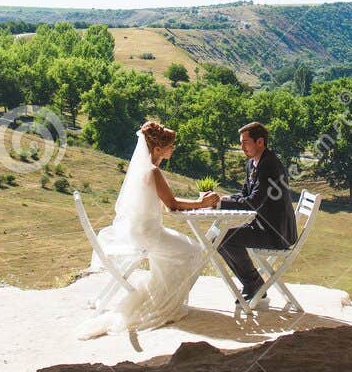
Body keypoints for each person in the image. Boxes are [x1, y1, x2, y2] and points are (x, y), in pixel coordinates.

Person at [76, 120, 214, 339]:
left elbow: (161, 203)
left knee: (183, 250)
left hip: (140, 231)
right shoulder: (152, 171)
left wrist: (194, 202)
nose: (173, 148)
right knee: (194, 250)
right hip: (149, 235)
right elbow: (172, 204)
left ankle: (162, 297)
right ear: (157, 149)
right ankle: (164, 305)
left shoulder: (143, 170)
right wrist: (202, 203)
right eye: (170, 145)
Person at [208, 121, 295, 303]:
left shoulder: (270, 166)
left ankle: (254, 285)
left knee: (224, 240)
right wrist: (222, 199)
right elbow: (245, 194)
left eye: (245, 142)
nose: (241, 147)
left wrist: (219, 205)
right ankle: (254, 285)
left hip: (277, 232)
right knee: (220, 239)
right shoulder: (253, 164)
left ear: (260, 142)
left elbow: (252, 203)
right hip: (262, 225)